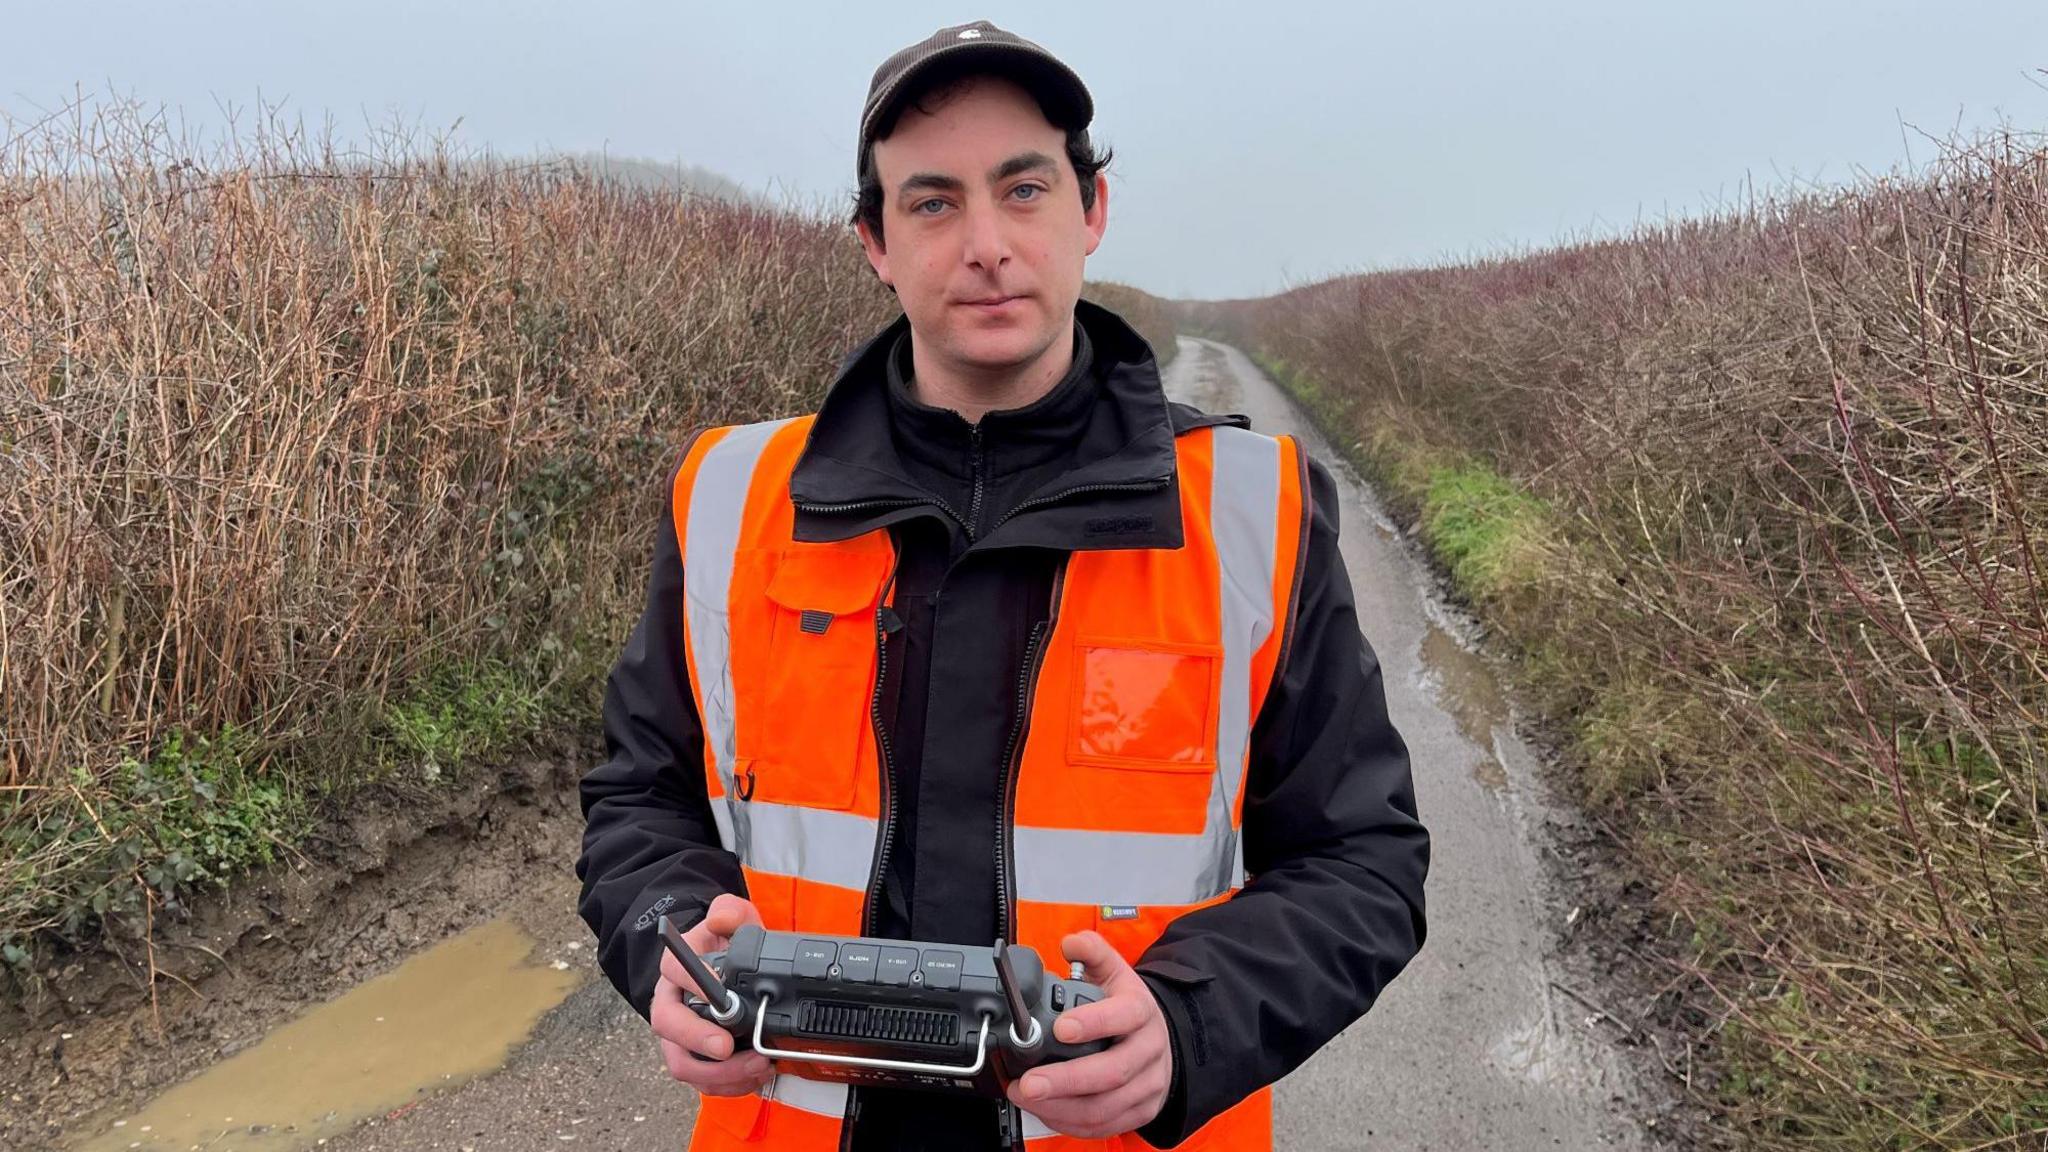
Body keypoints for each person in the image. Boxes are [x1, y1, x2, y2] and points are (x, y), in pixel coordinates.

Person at [576, 19, 1429, 1151]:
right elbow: (640, 800)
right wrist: (668, 941)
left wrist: (1187, 1022)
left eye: (1021, 189)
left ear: (1091, 212)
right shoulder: (732, 498)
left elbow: (1360, 860)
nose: (985, 243)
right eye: (931, 202)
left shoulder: (1250, 512)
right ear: (875, 241)